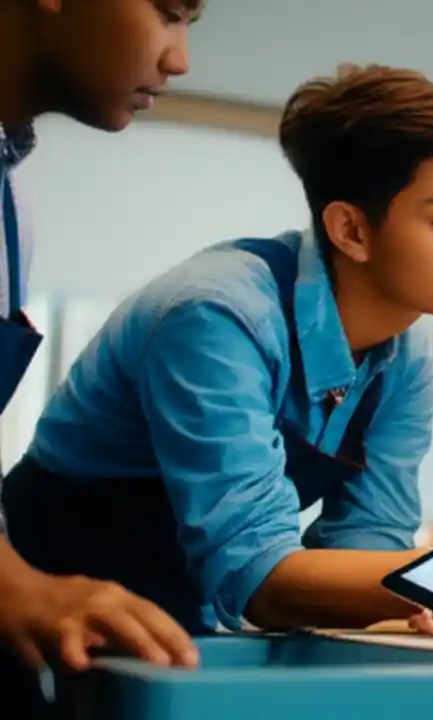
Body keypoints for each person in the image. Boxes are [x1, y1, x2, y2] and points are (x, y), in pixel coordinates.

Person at [3, 63, 433, 648]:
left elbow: (367, 538)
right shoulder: (216, 318)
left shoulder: (412, 345)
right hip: (44, 612)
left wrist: (426, 597)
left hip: (183, 624)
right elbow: (259, 576)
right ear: (350, 228)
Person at [0, 0, 203, 710]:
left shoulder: (12, 204)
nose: (179, 59)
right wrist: (14, 585)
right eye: (171, 13)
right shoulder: (210, 310)